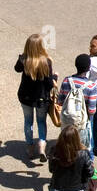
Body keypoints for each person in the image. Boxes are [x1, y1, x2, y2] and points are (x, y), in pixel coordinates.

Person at [15, 33, 56, 163]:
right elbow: (49, 84)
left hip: (25, 97)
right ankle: (42, 146)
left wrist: (21, 57)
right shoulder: (46, 62)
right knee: (41, 121)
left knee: (28, 121)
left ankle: (29, 147)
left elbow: (16, 69)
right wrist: (54, 77)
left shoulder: (24, 60)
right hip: (41, 99)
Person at [57, 54, 97, 156]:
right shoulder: (91, 86)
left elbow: (60, 101)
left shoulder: (67, 80)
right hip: (82, 123)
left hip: (67, 121)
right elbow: (92, 111)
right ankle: (88, 166)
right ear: (88, 68)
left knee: (67, 147)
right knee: (84, 148)